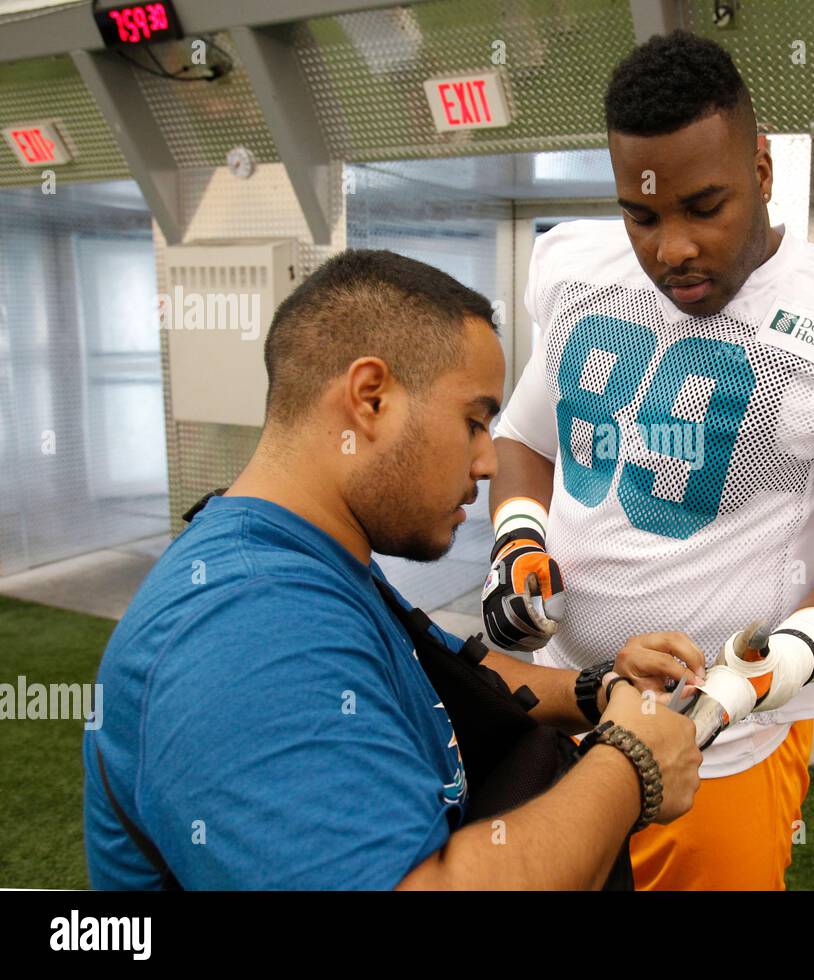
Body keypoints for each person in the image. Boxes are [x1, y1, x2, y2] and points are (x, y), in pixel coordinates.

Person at [482, 30, 814, 890]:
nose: (672, 249)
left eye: (706, 207)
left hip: (723, 756)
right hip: (564, 707)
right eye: (643, 214)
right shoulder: (582, 274)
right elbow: (523, 438)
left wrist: (741, 688)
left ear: (764, 172)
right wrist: (518, 543)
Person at [84, 249, 703, 890]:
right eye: (473, 421)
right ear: (370, 399)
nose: (489, 462)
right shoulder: (243, 631)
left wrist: (600, 691)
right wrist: (631, 766)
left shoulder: (313, 559)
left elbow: (458, 673)